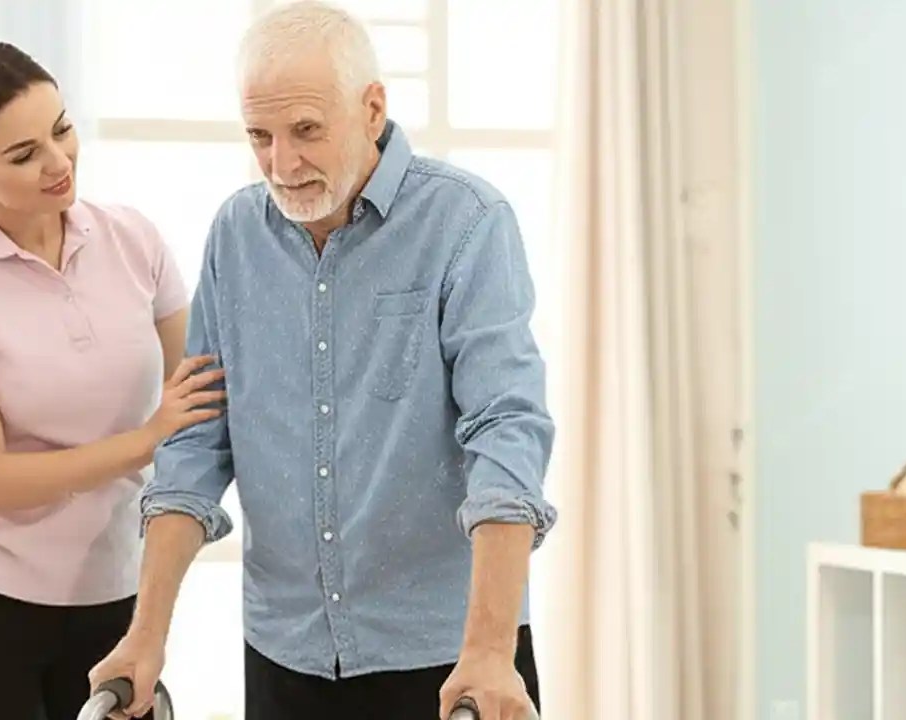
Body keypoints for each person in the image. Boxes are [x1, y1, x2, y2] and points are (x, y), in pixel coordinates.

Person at [89, 3, 557, 720]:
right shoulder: (236, 235)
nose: (282, 164)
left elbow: (506, 431)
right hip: (287, 652)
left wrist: (492, 649)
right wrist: (144, 637)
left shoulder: (465, 223)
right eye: (260, 136)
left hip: (449, 654)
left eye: (306, 130)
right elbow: (196, 445)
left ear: (372, 109)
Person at [0, 40, 223, 720]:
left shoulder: (132, 239)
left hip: (118, 605)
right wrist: (147, 439)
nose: (59, 161)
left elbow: (203, 397)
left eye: (62, 129)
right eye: (24, 154)